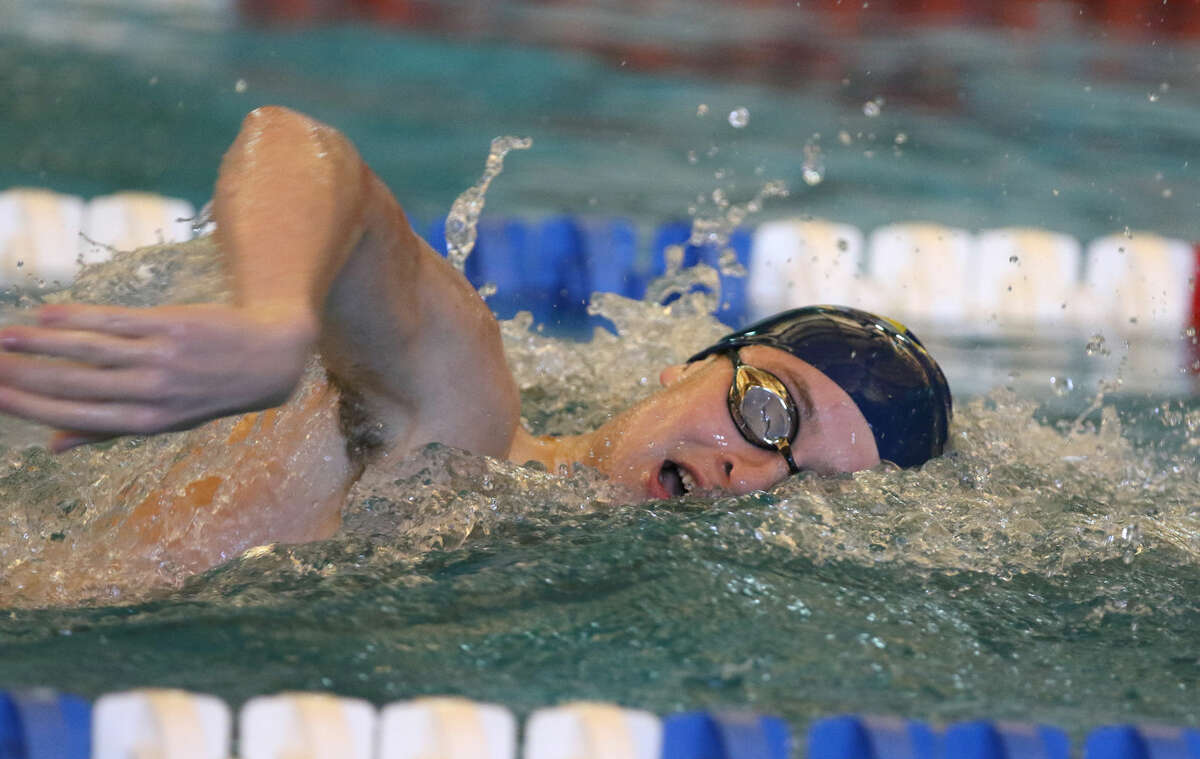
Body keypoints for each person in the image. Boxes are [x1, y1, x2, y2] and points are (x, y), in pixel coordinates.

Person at [0, 107, 951, 602]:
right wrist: (273, 322)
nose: (751, 473)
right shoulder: (462, 429)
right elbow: (301, 148)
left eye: (815, 490)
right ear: (689, 365)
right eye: (771, 411)